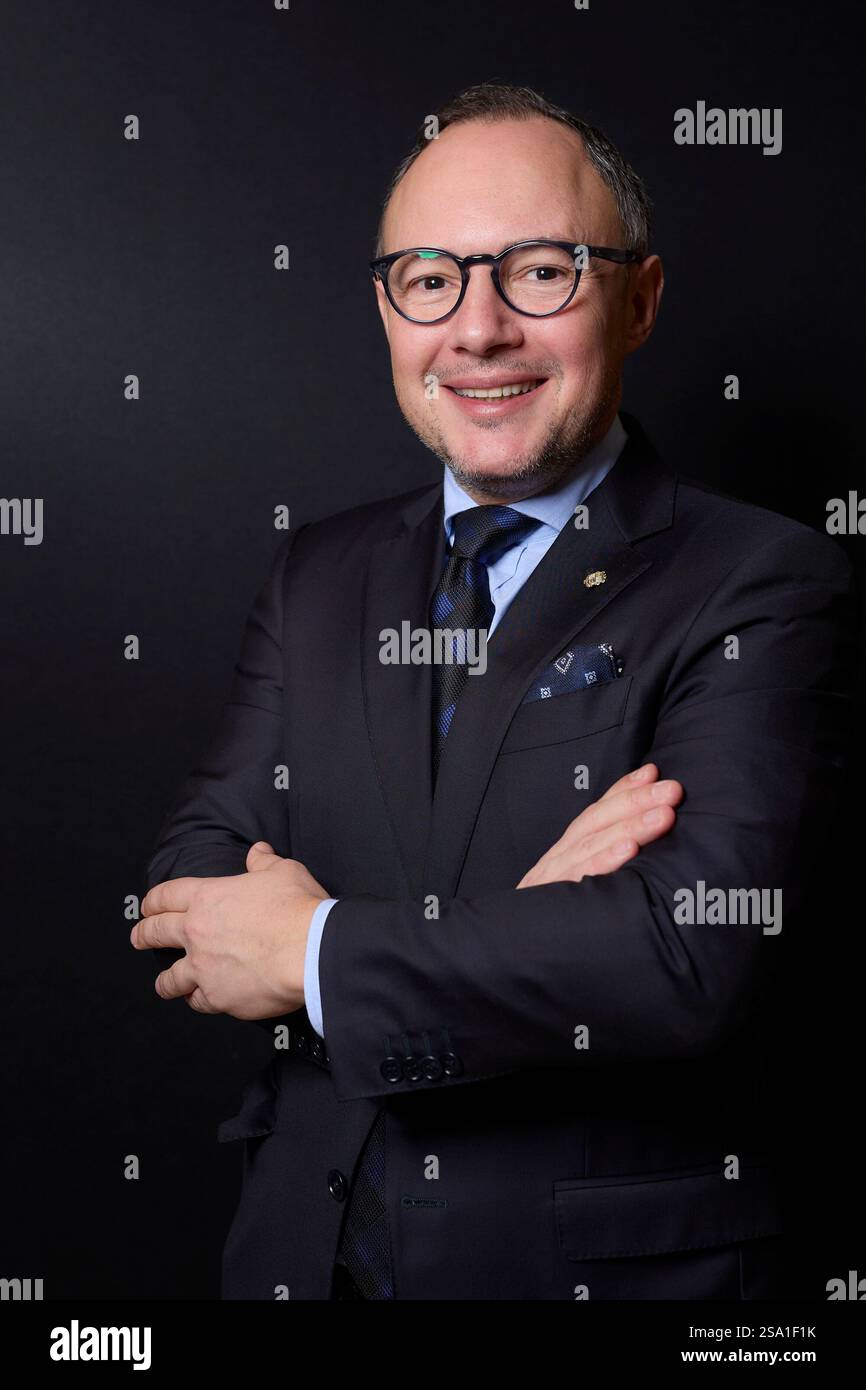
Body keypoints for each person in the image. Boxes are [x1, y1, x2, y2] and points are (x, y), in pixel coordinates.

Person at [134, 83, 857, 1300]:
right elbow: (188, 885)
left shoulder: (764, 580)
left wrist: (317, 948)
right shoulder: (316, 571)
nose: (476, 330)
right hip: (301, 1258)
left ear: (639, 297)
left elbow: (688, 955)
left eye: (538, 270)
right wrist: (526, 915)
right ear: (386, 306)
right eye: (429, 277)